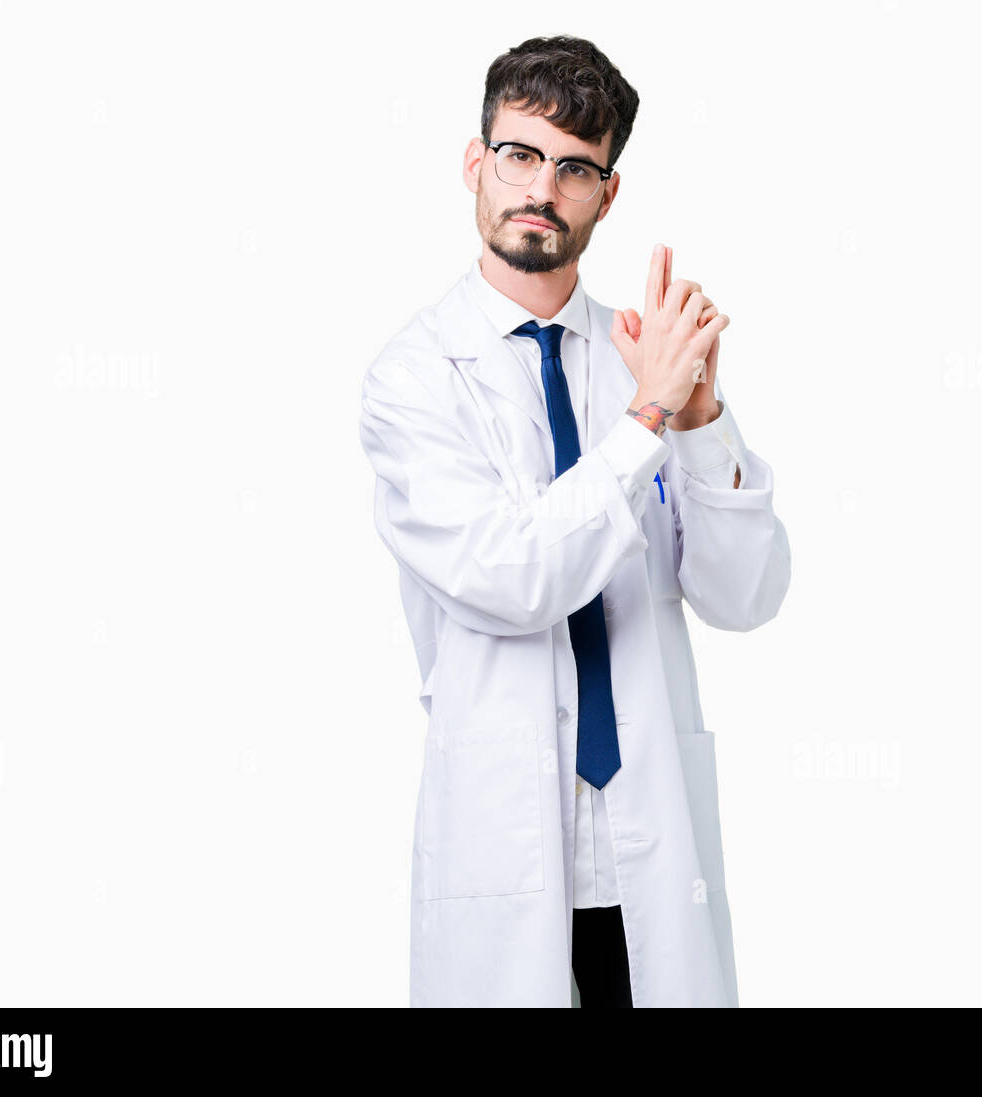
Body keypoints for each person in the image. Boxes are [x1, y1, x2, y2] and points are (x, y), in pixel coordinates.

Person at [358, 34, 791, 1007]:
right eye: (517, 154)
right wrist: (645, 421)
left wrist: (698, 420)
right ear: (476, 164)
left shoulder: (646, 359)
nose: (540, 188)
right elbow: (514, 579)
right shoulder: (414, 378)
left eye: (573, 167)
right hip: (509, 850)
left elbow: (744, 594)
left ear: (607, 192)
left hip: (647, 848)